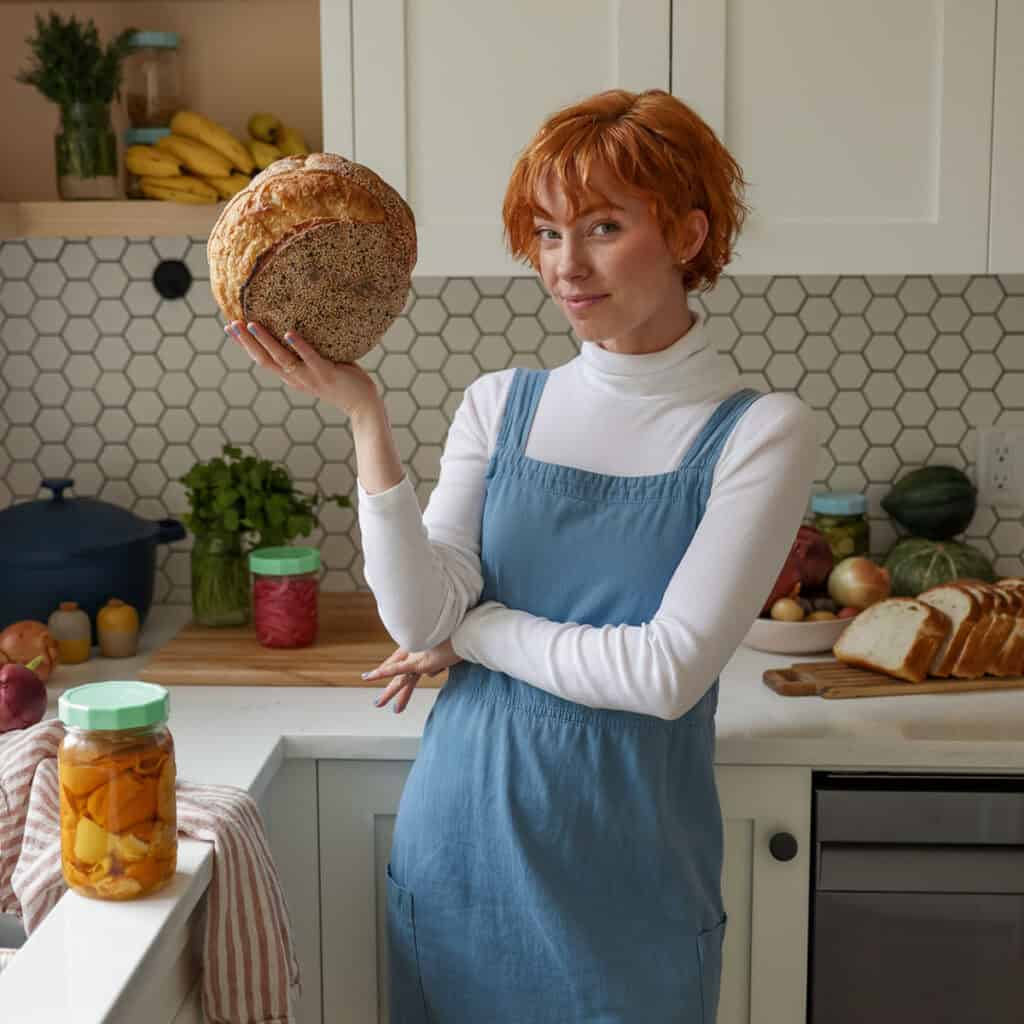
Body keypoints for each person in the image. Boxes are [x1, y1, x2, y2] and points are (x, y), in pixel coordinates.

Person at [225, 88, 818, 1022]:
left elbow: (665, 672)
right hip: (459, 850)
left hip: (630, 878)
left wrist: (483, 630)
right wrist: (365, 418)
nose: (566, 266)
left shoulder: (758, 434)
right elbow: (422, 619)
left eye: (603, 227)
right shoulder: (501, 404)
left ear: (690, 235)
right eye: (545, 233)